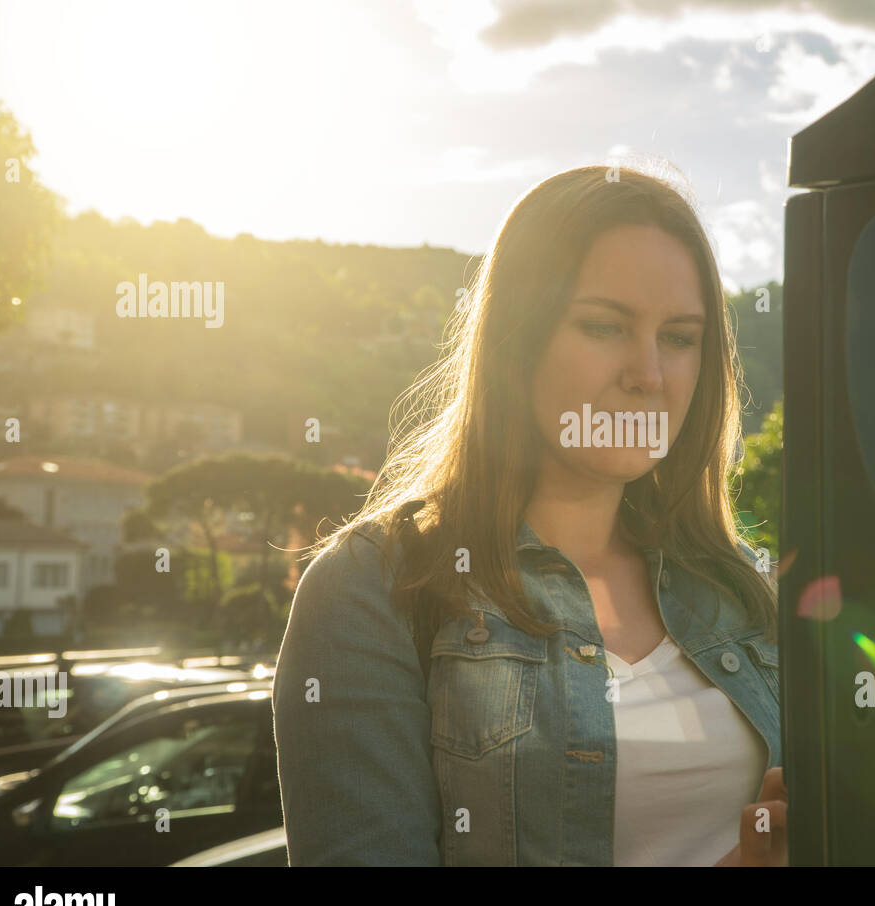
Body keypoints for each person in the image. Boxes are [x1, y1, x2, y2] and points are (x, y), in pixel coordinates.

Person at [273, 163, 786, 866]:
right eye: (605, 326)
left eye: (679, 336)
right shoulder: (376, 589)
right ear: (517, 342)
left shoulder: (739, 587)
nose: (649, 373)